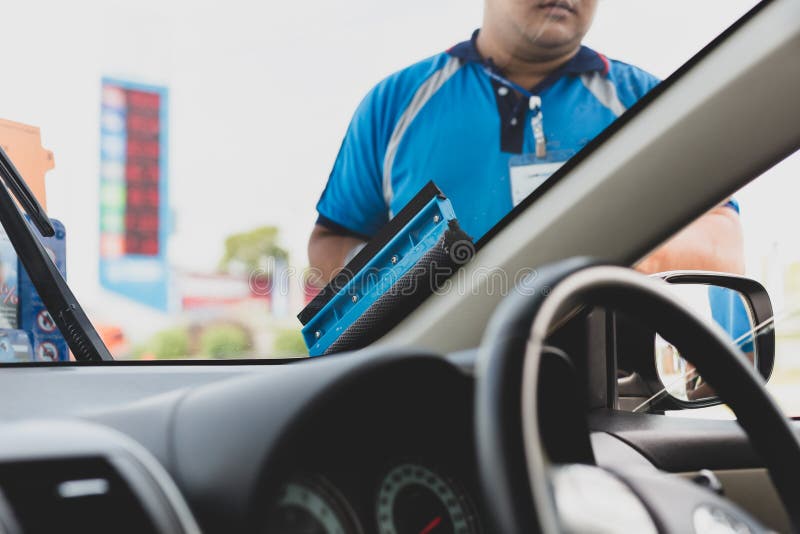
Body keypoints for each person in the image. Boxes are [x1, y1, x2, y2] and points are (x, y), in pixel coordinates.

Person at [308, 0, 744, 284]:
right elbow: (332, 242)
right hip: (435, 389)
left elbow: (722, 240)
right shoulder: (396, 103)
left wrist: (623, 249)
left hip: (610, 398)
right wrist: (408, 282)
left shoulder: (647, 101)